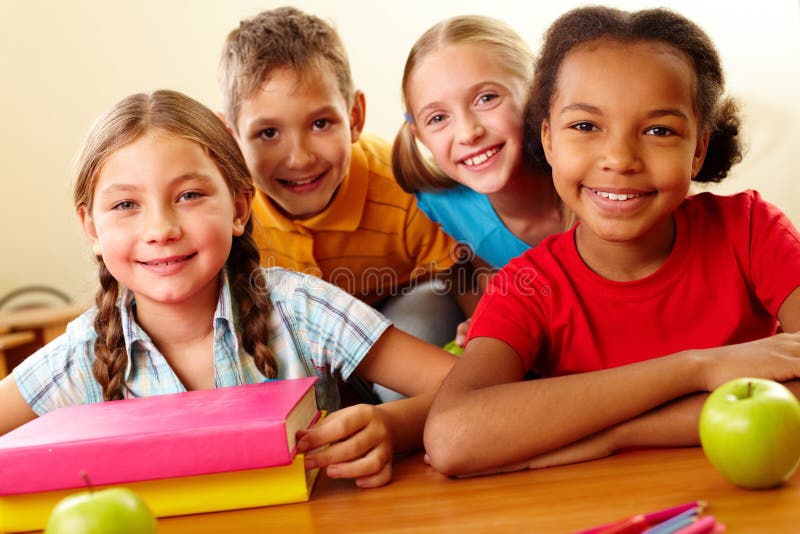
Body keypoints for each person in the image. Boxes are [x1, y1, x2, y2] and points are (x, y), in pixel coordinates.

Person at [0, 90, 456, 489]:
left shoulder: (301, 308)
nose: (160, 228)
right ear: (91, 228)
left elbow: (465, 387)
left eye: (189, 196)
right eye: (125, 205)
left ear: (239, 208)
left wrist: (392, 426)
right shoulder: (84, 353)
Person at [424, 6, 800, 477]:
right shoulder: (526, 285)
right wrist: (698, 368)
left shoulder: (750, 230)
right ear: (548, 139)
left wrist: (616, 433)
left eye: (659, 130)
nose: (620, 159)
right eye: (585, 126)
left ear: (699, 148)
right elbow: (453, 437)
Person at [217, 7, 477, 358]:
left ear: (354, 116)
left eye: (321, 124)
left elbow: (463, 274)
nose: (300, 158)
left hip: (394, 313)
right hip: (301, 331)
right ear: (232, 138)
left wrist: (481, 330)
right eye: (268, 133)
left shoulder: (403, 187)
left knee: (424, 315)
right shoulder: (228, 208)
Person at [392, 15, 573, 272]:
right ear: (419, 135)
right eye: (438, 118)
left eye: (486, 98)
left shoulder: (596, 180)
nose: (468, 133)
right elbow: (480, 276)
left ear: (536, 92)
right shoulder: (440, 207)